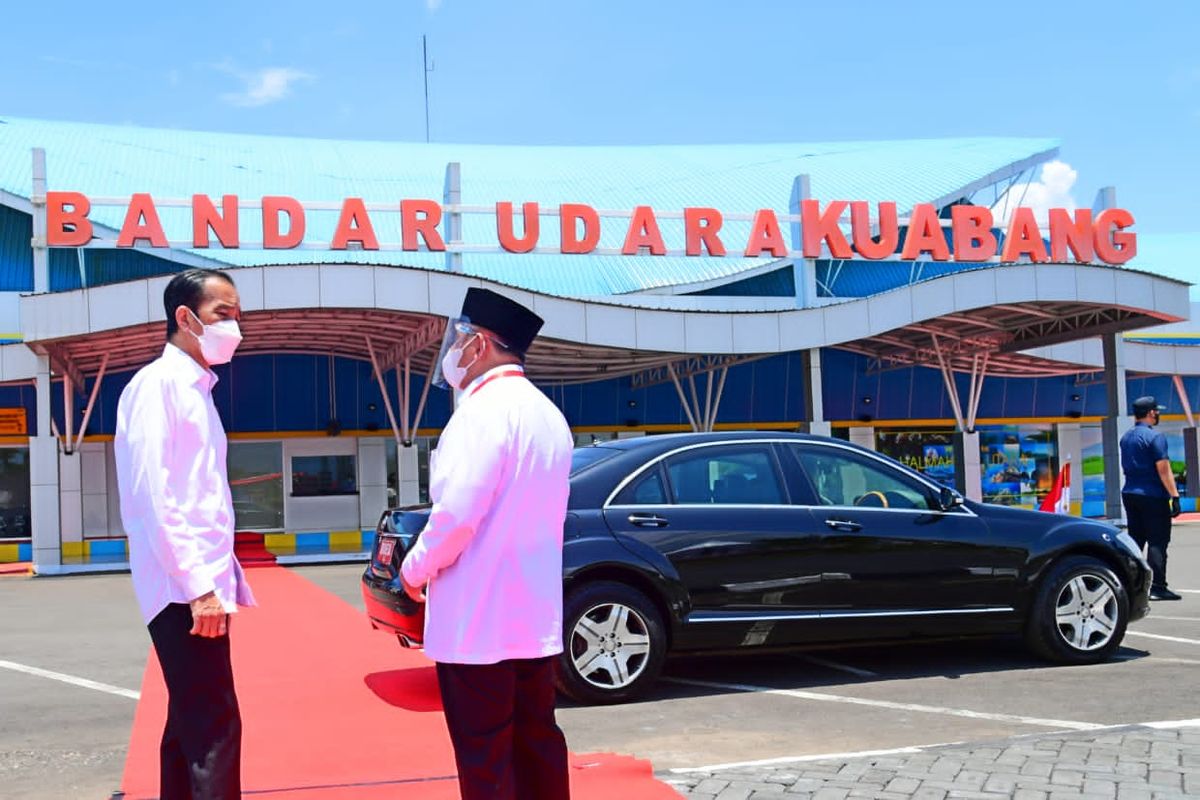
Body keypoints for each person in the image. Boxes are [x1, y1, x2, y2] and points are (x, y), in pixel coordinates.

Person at [400, 287, 573, 800]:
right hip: (533, 618)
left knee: (486, 758)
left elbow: (455, 518)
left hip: (479, 622)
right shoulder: (548, 416)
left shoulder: (479, 413)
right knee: (537, 744)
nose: (454, 350)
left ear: (479, 344)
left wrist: (412, 572)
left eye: (460, 338)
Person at [114, 268, 256, 799]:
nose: (235, 325)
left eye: (238, 313)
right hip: (184, 590)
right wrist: (199, 588)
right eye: (223, 313)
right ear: (184, 318)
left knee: (189, 726)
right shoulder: (159, 387)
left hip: (195, 585)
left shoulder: (197, 390)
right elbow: (155, 496)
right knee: (214, 728)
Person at [1119, 395, 1182, 601]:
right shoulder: (1155, 438)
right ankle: (1157, 586)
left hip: (1130, 493)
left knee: (1136, 541)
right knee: (1158, 541)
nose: (1158, 414)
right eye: (1157, 411)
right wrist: (1174, 496)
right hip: (1153, 495)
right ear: (1151, 413)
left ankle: (1132, 584)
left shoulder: (1126, 437)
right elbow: (1163, 469)